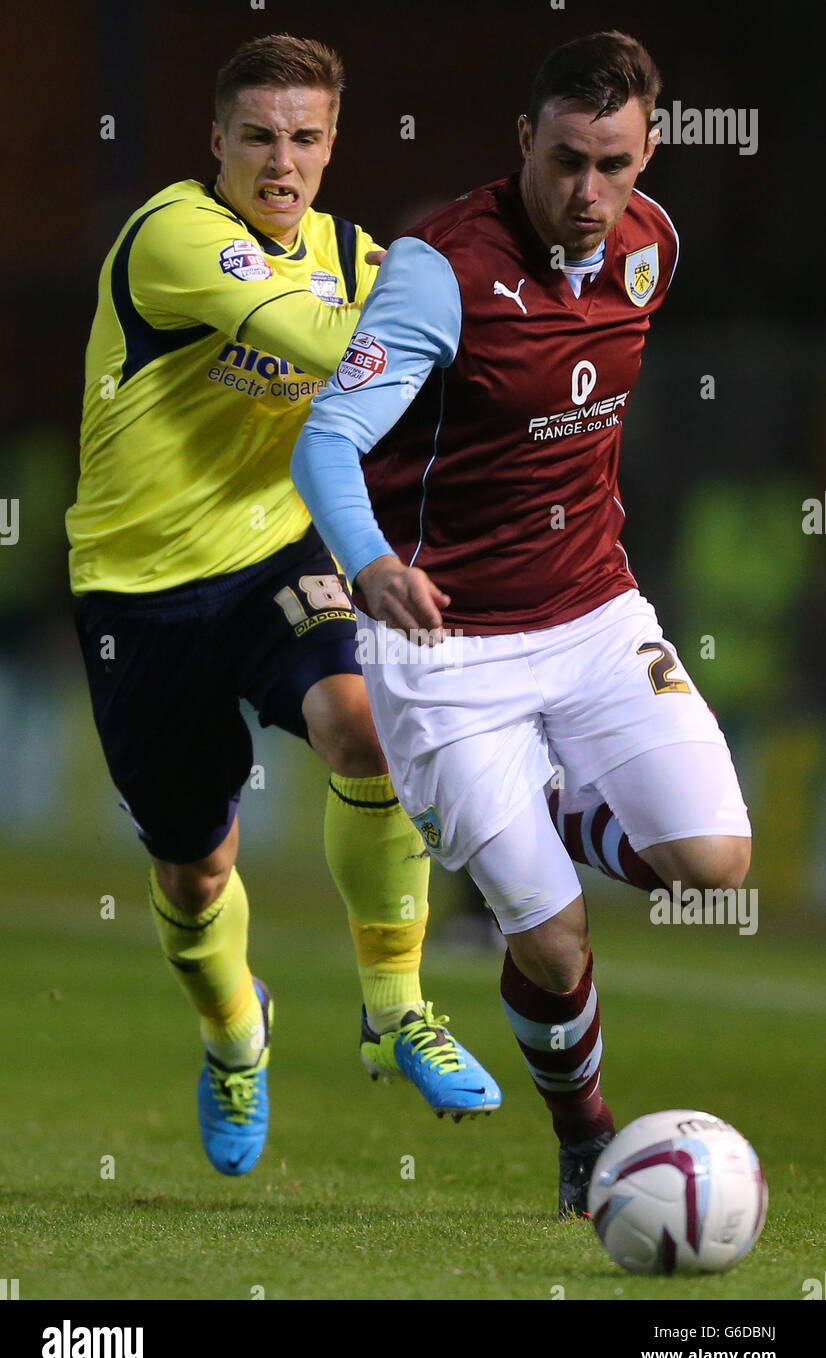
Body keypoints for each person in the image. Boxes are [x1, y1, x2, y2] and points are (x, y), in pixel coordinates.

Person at [291, 30, 752, 1216]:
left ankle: (544, 799)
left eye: (615, 163)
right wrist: (373, 563)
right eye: (564, 162)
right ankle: (586, 1139)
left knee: (714, 869)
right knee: (551, 944)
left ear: (650, 150)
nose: (588, 194)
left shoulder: (653, 248)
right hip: (446, 651)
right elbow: (327, 441)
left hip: (596, 613)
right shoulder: (439, 270)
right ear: (523, 144)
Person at [65, 33, 501, 1179]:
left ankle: (395, 1005)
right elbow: (324, 343)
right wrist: (452, 320)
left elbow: (382, 386)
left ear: (331, 142)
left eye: (305, 137)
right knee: (196, 870)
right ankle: (234, 1035)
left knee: (363, 725)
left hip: (272, 561)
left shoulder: (354, 252)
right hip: (139, 589)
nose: (281, 160)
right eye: (257, 136)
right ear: (216, 144)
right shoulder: (175, 234)